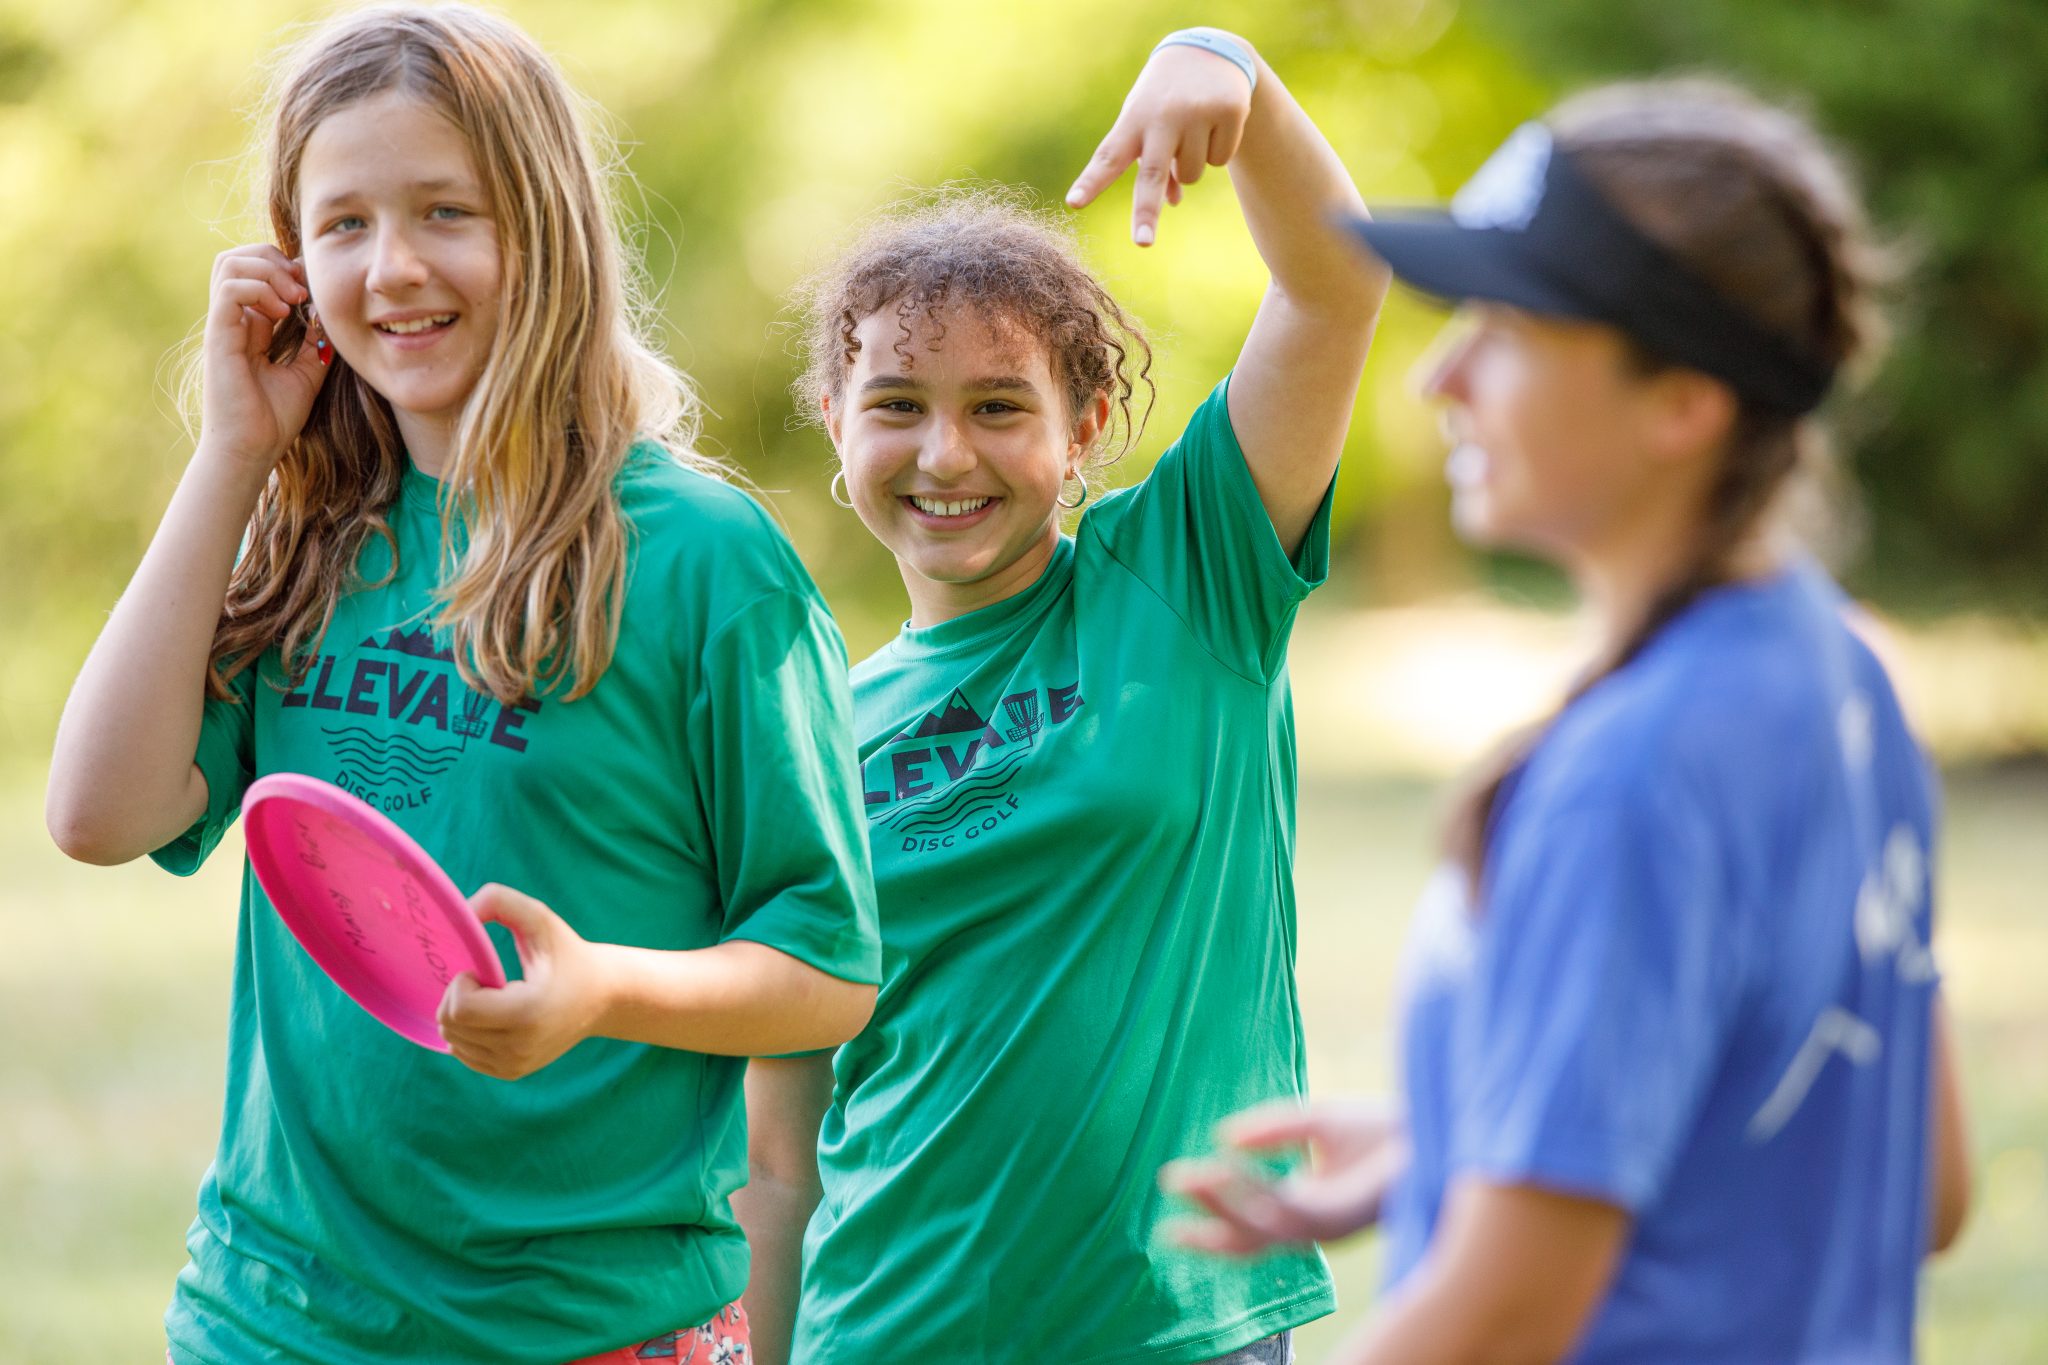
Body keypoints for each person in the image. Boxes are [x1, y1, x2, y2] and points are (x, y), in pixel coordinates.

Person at [42, 7, 879, 1361]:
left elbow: (827, 969)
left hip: (587, 1326)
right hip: (273, 1318)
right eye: (345, 224)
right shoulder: (310, 528)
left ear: (544, 229)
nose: (393, 267)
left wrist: (602, 989)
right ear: (291, 264)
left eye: (447, 211)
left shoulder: (703, 562)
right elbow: (98, 813)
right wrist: (234, 454)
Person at [1164, 78, 1973, 1364]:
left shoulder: (1629, 776)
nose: (1439, 374)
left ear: (1682, 403)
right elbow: (1916, 1183)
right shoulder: (1840, 671)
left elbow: (1497, 1317)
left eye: (1506, 325)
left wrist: (1508, 1205)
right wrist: (1459, 1151)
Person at [735, 26, 1390, 1365]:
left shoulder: (1188, 580)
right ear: (834, 415)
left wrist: (1231, 74)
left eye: (998, 406)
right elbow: (780, 1149)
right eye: (898, 404)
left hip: (1179, 1329)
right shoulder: (807, 731)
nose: (945, 453)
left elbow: (1334, 285)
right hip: (885, 1332)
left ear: (1084, 429)